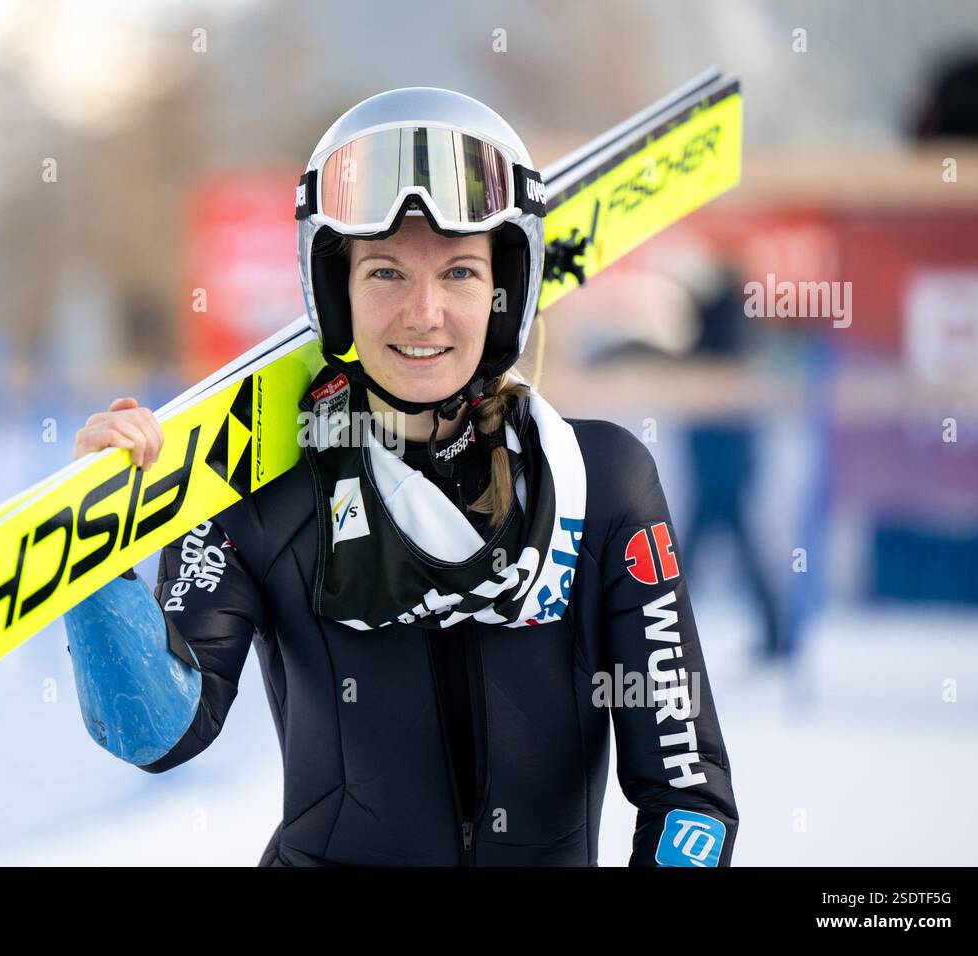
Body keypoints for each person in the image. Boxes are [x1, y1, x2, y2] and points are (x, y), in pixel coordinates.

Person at [64, 87, 738, 866]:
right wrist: (96, 553)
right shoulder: (260, 493)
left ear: (502, 293)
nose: (424, 313)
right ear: (336, 293)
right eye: (385, 273)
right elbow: (158, 730)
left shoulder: (605, 483)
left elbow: (689, 794)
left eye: (457, 272)